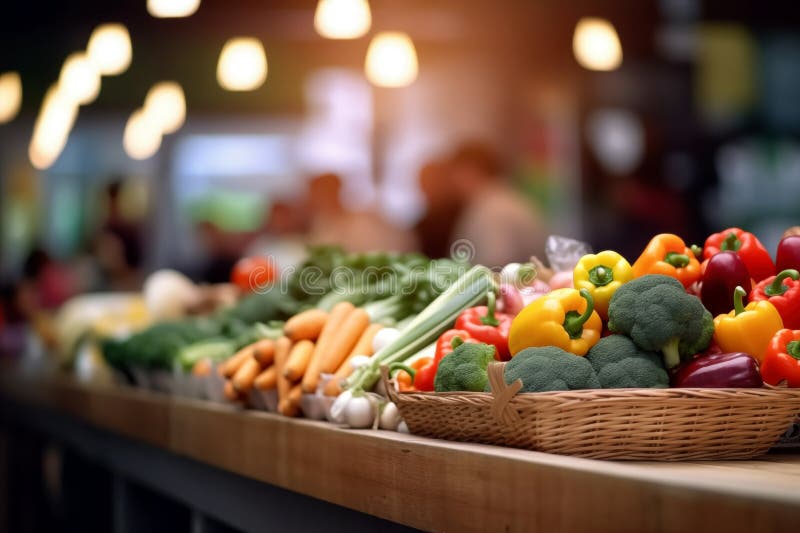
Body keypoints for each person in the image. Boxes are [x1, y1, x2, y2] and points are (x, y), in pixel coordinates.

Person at [448, 142, 547, 267]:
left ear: (470, 170)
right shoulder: (502, 198)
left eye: (454, 173)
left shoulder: (493, 210)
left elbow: (496, 264)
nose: (452, 183)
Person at [306, 173, 417, 253]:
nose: (318, 201)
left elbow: (400, 245)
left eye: (323, 193)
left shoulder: (364, 222)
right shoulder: (322, 224)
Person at [413, 160, 465, 259]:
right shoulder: (423, 222)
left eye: (432, 181)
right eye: (424, 182)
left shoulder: (459, 212)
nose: (427, 187)